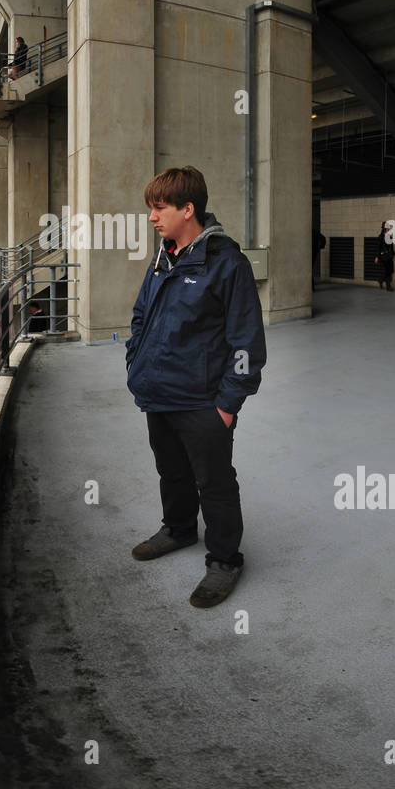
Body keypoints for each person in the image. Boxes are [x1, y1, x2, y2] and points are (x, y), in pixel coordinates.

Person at [125, 167, 266, 610]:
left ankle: (224, 560)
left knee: (216, 482)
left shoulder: (227, 264)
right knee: (172, 471)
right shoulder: (163, 257)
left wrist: (227, 404)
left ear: (188, 210)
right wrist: (135, 359)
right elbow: (141, 316)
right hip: (159, 393)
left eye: (159, 208)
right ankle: (180, 529)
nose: (152, 218)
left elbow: (247, 343)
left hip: (203, 402)